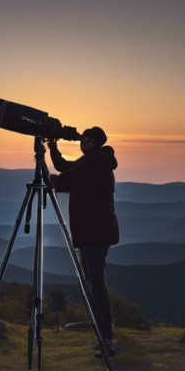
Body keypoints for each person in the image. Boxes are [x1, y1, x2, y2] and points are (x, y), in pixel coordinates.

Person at [47, 127, 119, 358]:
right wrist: (53, 147)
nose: (81, 140)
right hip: (93, 234)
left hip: (95, 234)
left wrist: (49, 180)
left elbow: (65, 180)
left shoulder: (95, 162)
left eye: (85, 137)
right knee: (91, 287)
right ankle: (103, 336)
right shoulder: (92, 160)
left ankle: (106, 339)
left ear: (94, 141)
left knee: (95, 288)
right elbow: (65, 168)